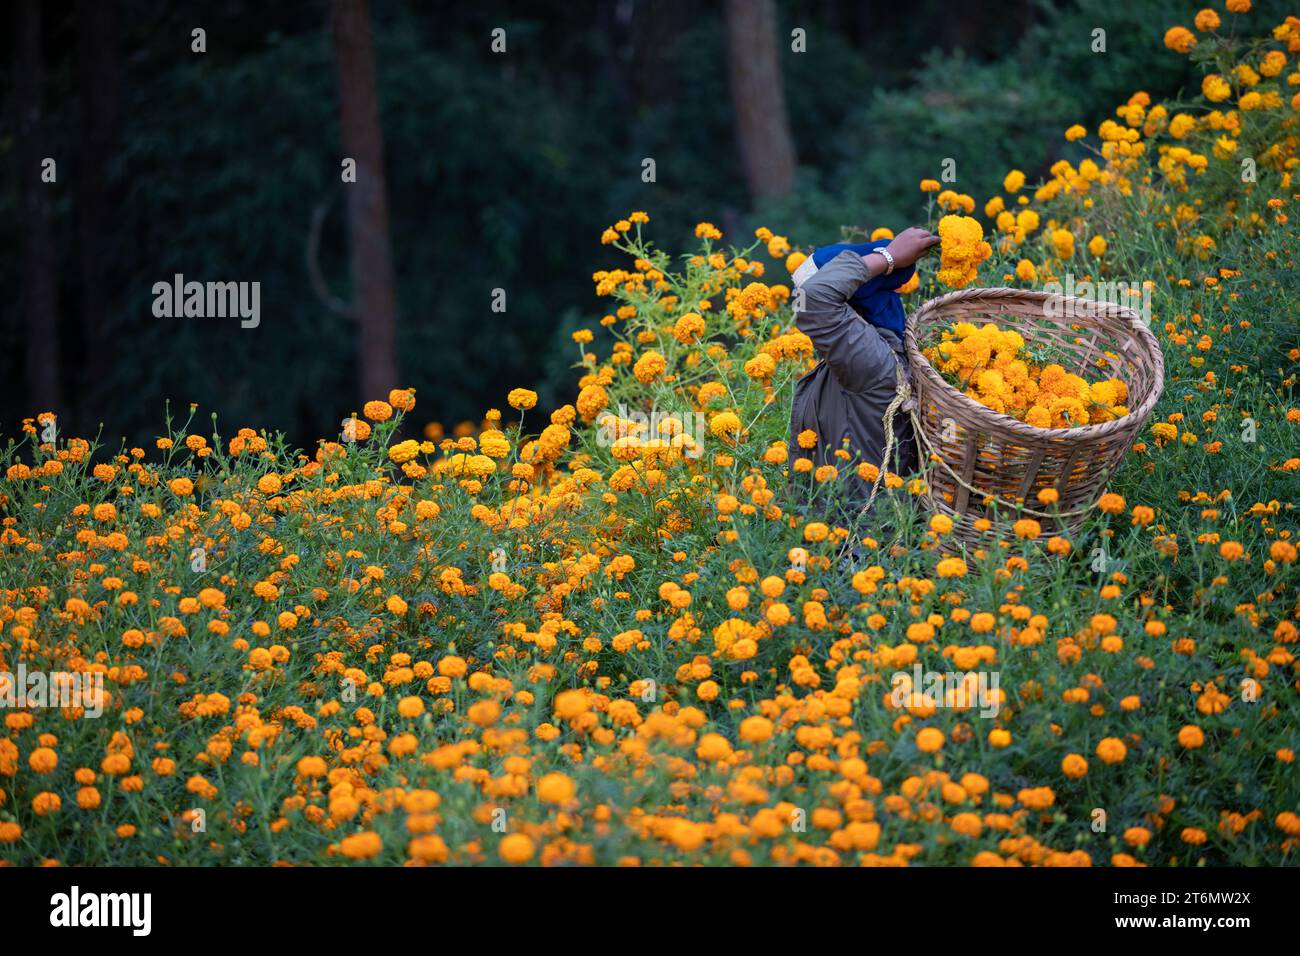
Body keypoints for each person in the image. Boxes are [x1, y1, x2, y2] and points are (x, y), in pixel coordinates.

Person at [789, 227, 941, 511]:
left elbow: (816, 297)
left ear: (849, 306)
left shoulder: (875, 364)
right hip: (846, 540)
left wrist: (889, 257)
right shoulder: (869, 358)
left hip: (858, 546)